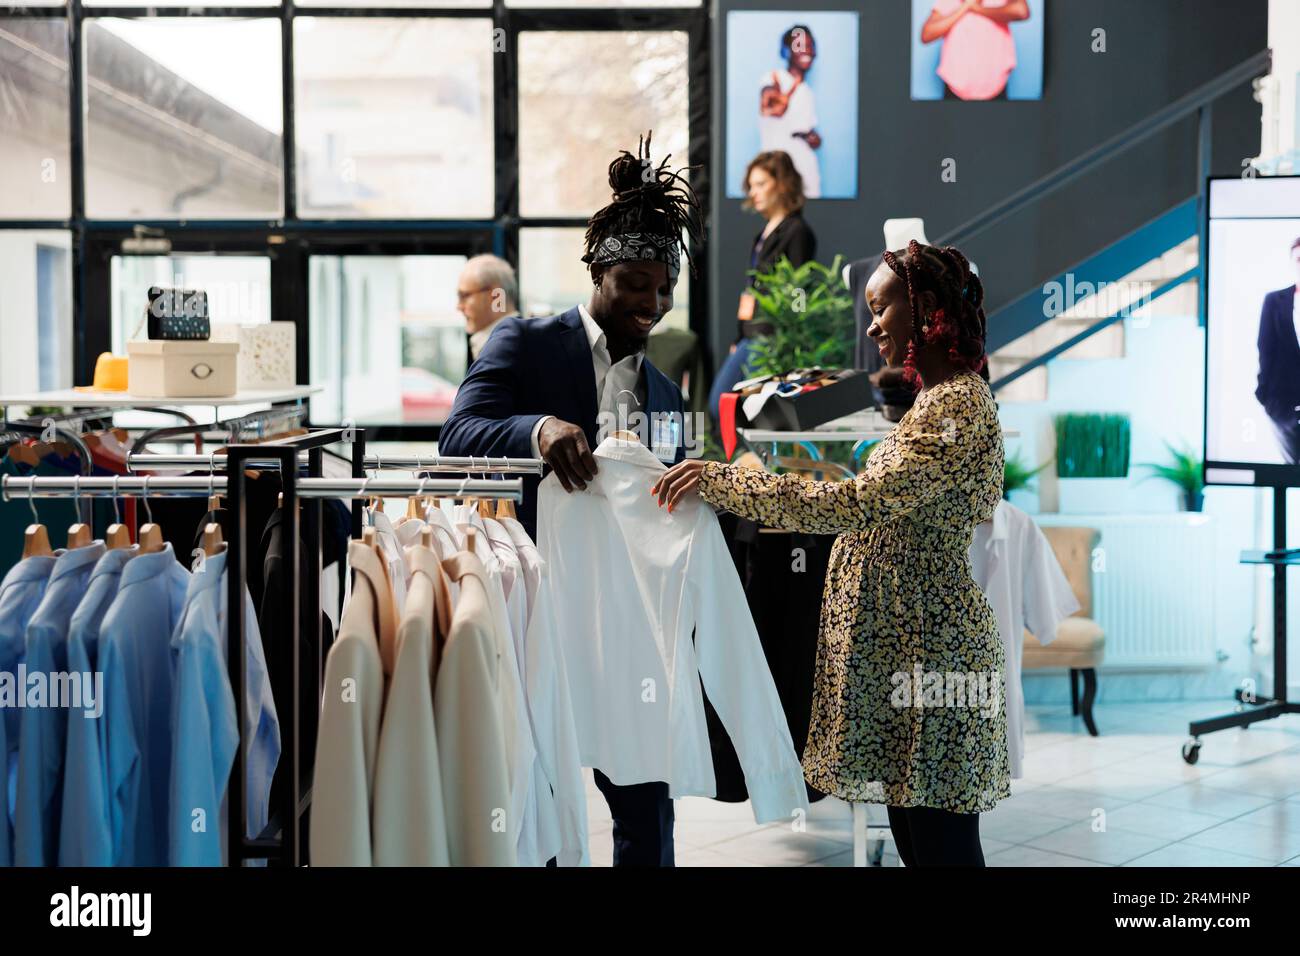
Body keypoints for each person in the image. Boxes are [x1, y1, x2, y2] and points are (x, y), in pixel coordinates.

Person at [653, 240, 1010, 867]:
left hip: (931, 653)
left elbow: (855, 504)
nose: (871, 326)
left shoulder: (956, 405)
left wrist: (727, 482)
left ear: (924, 308)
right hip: (911, 644)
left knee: (943, 845)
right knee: (920, 836)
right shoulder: (938, 399)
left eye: (880, 309)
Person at [438, 133, 699, 866]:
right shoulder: (524, 341)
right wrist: (539, 429)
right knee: (535, 790)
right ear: (599, 270)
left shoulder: (665, 391)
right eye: (635, 284)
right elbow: (457, 434)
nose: (651, 303)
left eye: (662, 288)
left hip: (624, 619)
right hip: (532, 605)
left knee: (645, 802)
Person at [709, 150, 818, 423]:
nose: (753, 192)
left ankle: (750, 464)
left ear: (782, 183)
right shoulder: (764, 232)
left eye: (761, 184)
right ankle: (743, 463)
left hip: (771, 338)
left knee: (746, 410)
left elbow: (798, 290)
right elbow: (752, 289)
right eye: (751, 186)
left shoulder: (796, 231)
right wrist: (738, 337)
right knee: (724, 405)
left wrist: (792, 337)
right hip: (750, 335)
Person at [758, 25, 822, 198]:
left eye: (810, 46)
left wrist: (813, 138)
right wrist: (788, 93)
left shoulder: (807, 90)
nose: (807, 51)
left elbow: (807, 130)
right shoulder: (773, 78)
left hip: (805, 166)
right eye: (799, 45)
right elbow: (773, 109)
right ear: (786, 51)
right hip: (777, 168)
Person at [921, 0, 1030, 101]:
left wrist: (976, 8)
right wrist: (966, 6)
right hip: (955, 90)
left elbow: (1021, 11)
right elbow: (927, 34)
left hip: (996, 90)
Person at [1255, 236, 1300, 464]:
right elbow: (1266, 349)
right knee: (1293, 473)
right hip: (1284, 407)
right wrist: (1265, 397)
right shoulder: (1275, 301)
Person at [457, 254, 521, 366]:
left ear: (496, 297)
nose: (459, 306)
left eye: (465, 296)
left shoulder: (506, 349)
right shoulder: (515, 341)